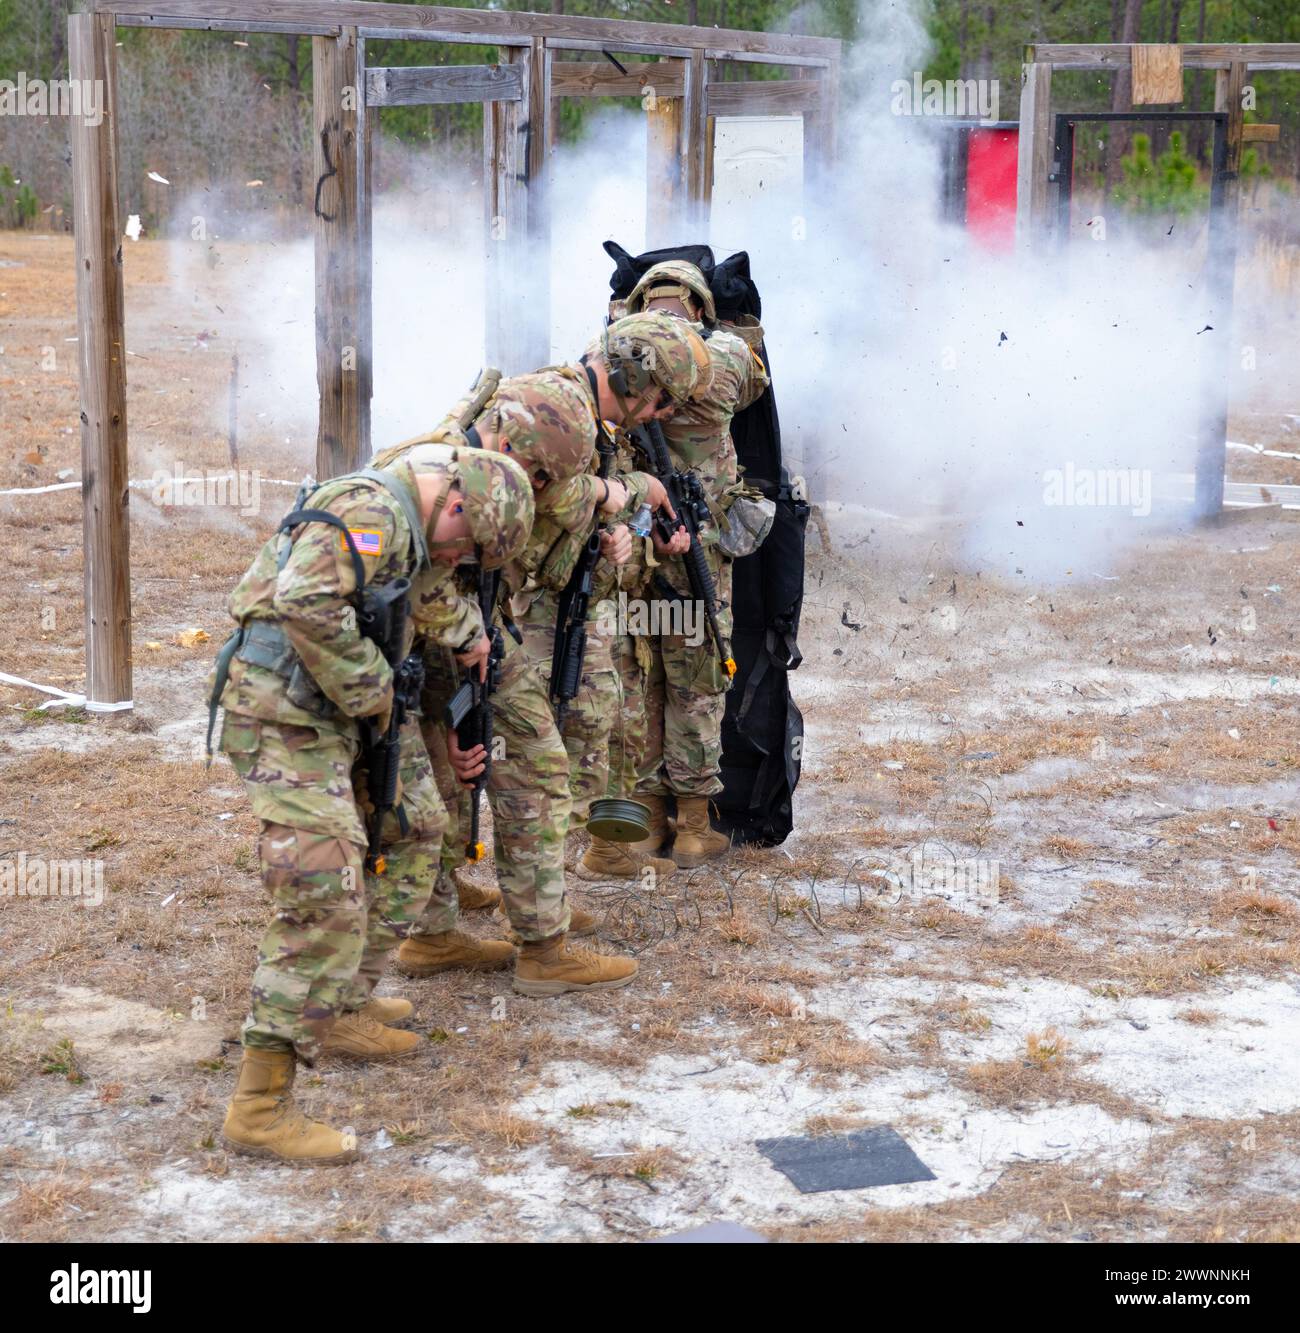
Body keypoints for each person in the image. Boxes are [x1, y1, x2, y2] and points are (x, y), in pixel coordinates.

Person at [209, 445, 533, 1164]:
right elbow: (304, 602)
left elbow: (426, 600)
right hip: (285, 708)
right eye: (467, 548)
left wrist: (461, 658)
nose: (458, 563)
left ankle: (343, 1003)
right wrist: (375, 696)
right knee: (324, 891)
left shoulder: (419, 532)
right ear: (454, 506)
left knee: (417, 825)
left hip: (349, 703)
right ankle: (260, 1106)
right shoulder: (372, 513)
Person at [390, 313, 709, 995]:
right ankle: (542, 947)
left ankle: (435, 924)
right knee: (532, 760)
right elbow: (543, 501)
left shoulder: (563, 405)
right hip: (447, 599)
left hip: (442, 596)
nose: (659, 415)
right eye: (660, 400)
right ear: (632, 378)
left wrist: (619, 514)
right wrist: (622, 495)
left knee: (453, 754)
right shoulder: (565, 416)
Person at [584, 261, 770, 873]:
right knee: (695, 680)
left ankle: (642, 819)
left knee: (638, 675)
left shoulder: (609, 355)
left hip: (634, 542)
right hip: (701, 545)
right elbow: (754, 383)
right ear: (698, 306)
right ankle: (693, 827)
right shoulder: (718, 360)